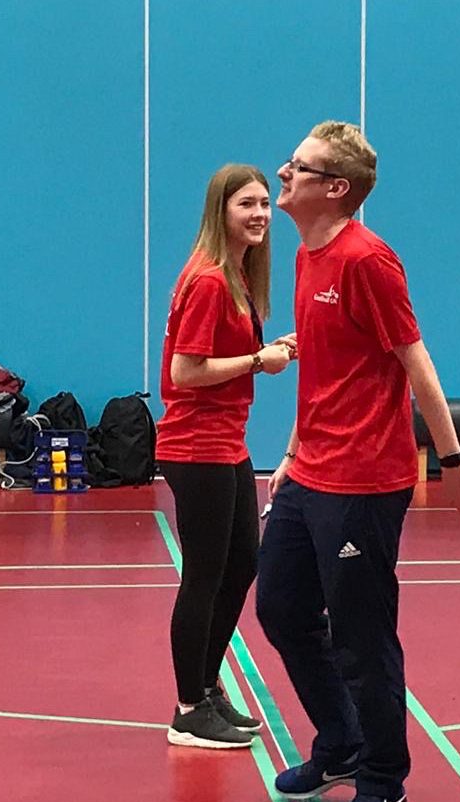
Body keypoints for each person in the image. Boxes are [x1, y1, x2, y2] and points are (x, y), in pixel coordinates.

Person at [256, 122, 460, 802]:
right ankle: (342, 743)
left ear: (337, 188)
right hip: (312, 469)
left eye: (300, 166)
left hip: (364, 479)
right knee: (281, 608)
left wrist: (450, 460)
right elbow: (324, 375)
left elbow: (416, 364)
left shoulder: (368, 260)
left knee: (361, 635)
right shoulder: (303, 255)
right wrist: (291, 454)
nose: (282, 173)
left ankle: (385, 783)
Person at [157, 164, 295, 749]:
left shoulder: (236, 275)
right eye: (247, 204)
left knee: (241, 565)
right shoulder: (210, 279)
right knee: (206, 575)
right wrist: (257, 362)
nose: (261, 213)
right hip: (196, 445)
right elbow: (184, 372)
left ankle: (206, 686)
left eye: (265, 202)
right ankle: (188, 709)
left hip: (227, 442)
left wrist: (268, 350)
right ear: (222, 211)